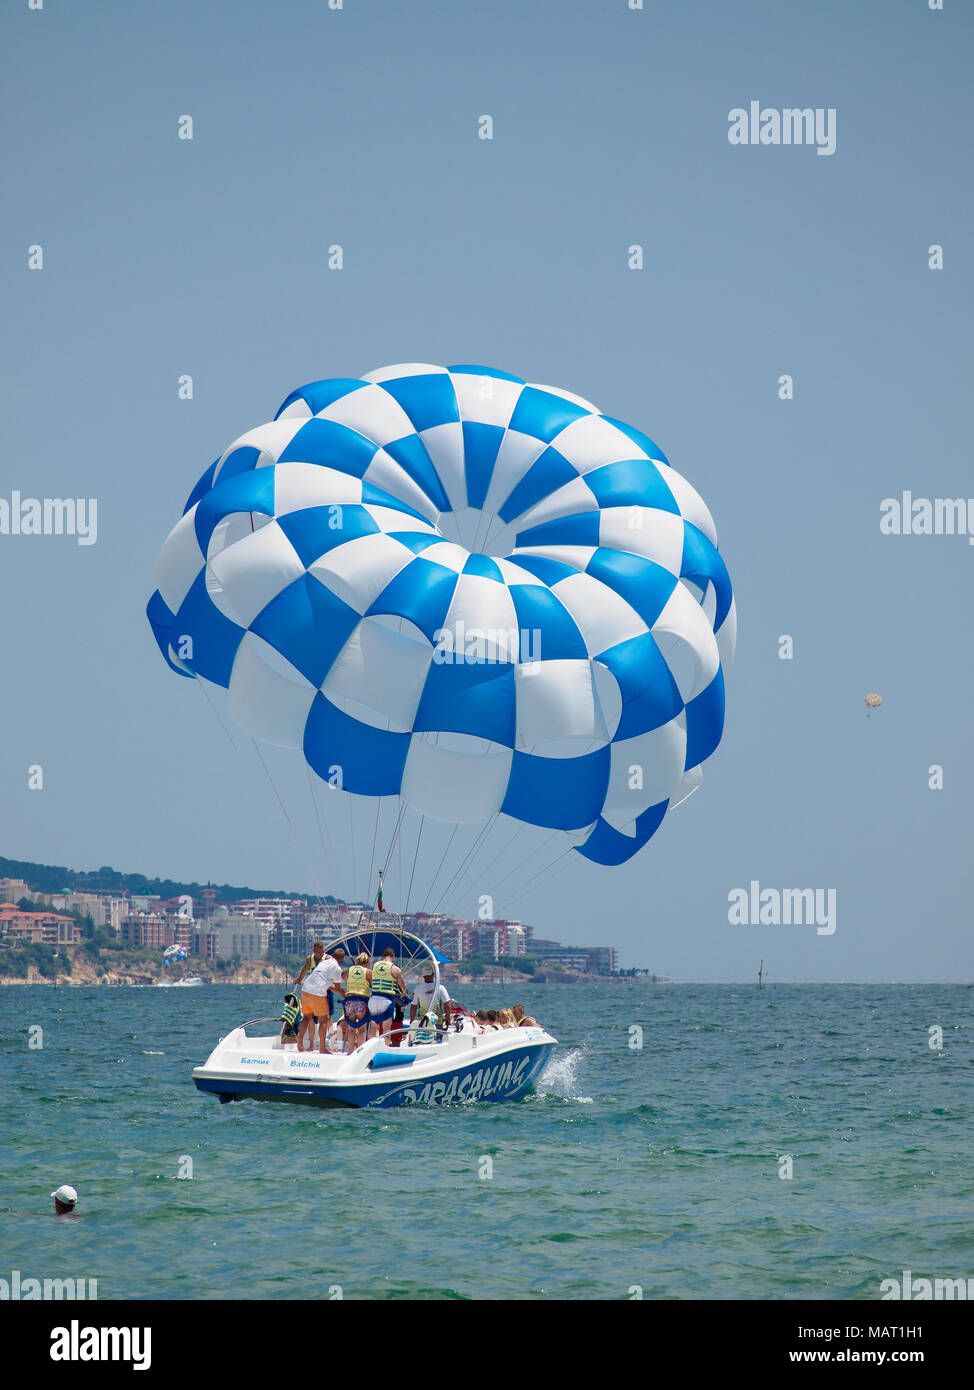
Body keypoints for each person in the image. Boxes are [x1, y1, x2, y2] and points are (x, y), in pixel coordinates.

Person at [294, 942, 345, 1052]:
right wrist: (346, 995)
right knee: (324, 1020)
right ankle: (322, 1048)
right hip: (319, 992)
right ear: (341, 960)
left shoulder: (324, 962)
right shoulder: (336, 967)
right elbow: (337, 988)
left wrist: (299, 979)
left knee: (306, 1018)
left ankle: (300, 1043)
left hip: (306, 989)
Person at [367, 947, 408, 1040]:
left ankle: (370, 1049)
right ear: (392, 956)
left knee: (372, 1029)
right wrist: (404, 993)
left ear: (383, 956)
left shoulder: (375, 966)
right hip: (386, 999)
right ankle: (385, 1048)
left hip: (374, 998)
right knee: (386, 1030)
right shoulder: (395, 969)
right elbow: (402, 983)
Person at [409, 963, 451, 1040]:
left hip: (422, 1023)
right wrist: (448, 1019)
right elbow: (447, 1005)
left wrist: (412, 1021)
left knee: (423, 1041)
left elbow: (413, 1007)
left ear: (423, 976)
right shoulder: (440, 988)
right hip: (437, 1022)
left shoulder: (417, 989)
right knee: (437, 1042)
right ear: (433, 974)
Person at [342, 952, 372, 1051]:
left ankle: (350, 1050)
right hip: (361, 1001)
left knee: (351, 1028)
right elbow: (372, 984)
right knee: (362, 1028)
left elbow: (343, 977)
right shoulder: (367, 972)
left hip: (349, 1000)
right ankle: (359, 1051)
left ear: (357, 961)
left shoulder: (349, 970)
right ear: (367, 963)